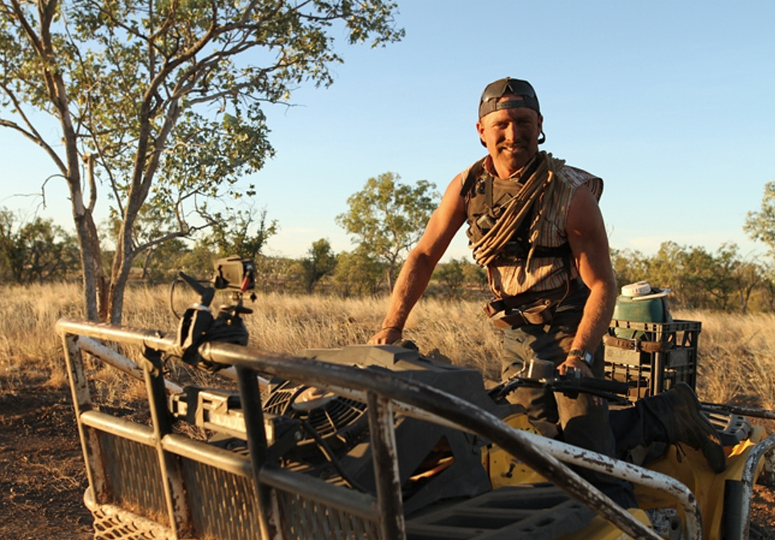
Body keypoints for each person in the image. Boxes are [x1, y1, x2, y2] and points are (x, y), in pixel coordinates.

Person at [369, 77, 724, 507]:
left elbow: (601, 284)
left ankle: (640, 472)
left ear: (539, 125)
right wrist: (392, 325)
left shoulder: (570, 193)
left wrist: (580, 355)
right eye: (500, 123)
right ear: (480, 130)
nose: (512, 134)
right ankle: (669, 413)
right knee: (533, 444)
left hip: (569, 324)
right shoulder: (466, 187)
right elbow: (424, 255)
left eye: (522, 121)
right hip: (515, 330)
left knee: (594, 465)